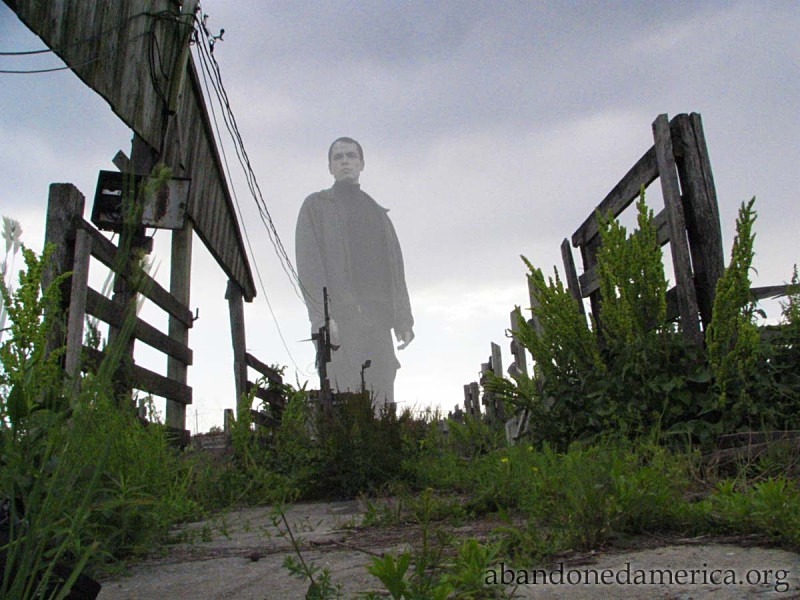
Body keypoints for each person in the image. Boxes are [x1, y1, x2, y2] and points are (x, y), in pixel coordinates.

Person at [295, 137, 414, 413]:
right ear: (330, 167)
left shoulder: (378, 214)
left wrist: (403, 319)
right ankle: (344, 455)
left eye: (351, 156)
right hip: (341, 321)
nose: (345, 161)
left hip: (379, 319)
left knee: (382, 393)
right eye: (338, 157)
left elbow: (395, 270)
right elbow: (309, 267)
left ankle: (382, 453)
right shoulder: (317, 207)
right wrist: (323, 317)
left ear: (361, 163)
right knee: (342, 394)